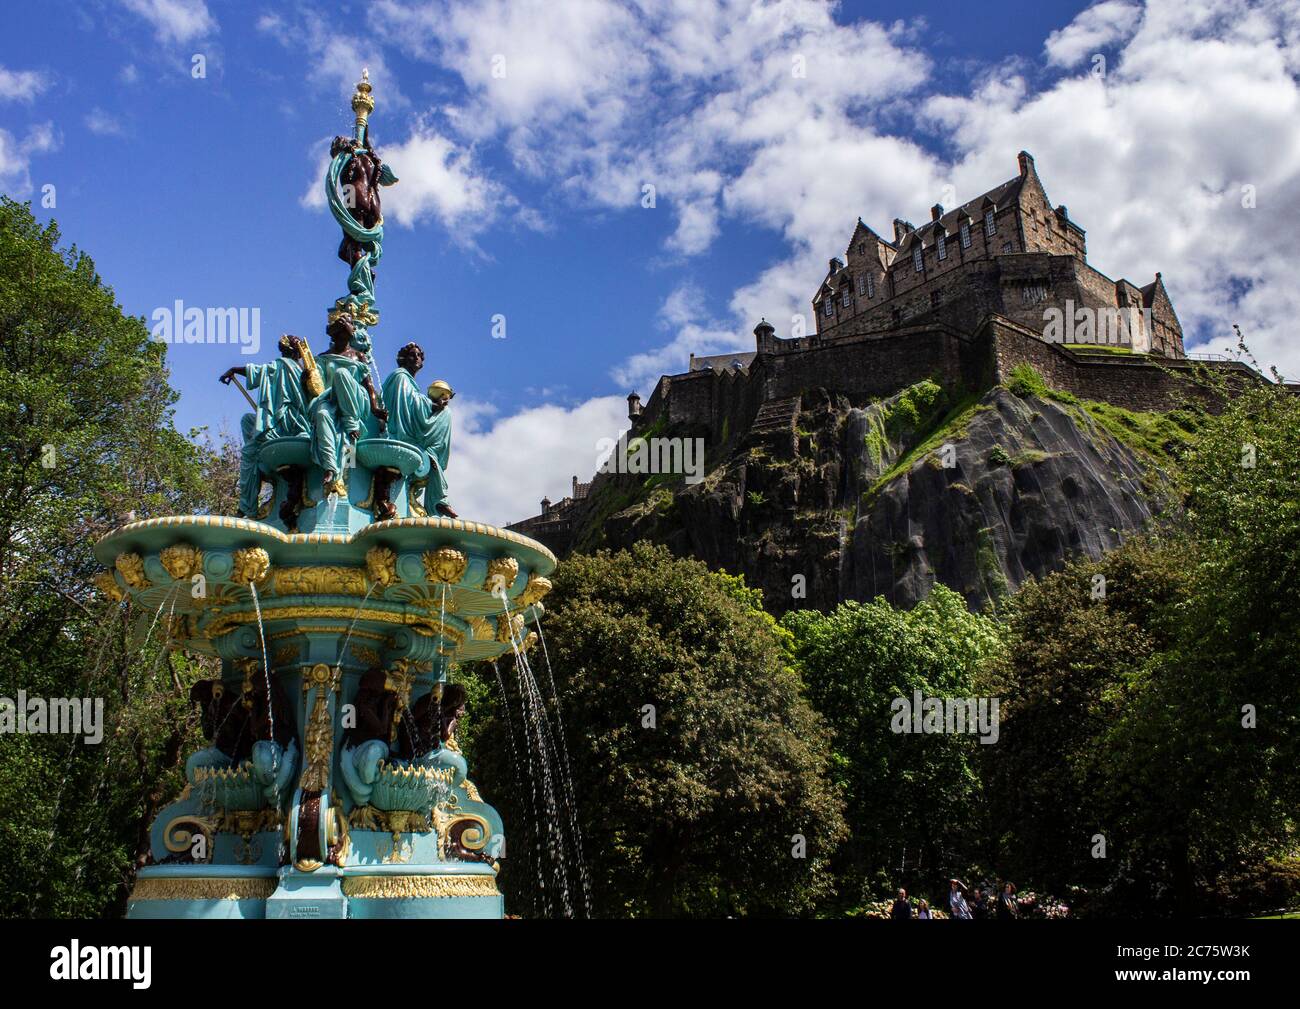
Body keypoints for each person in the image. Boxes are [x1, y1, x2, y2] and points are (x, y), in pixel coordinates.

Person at [220, 334, 310, 517]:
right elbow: (258, 371)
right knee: (248, 420)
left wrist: (234, 369)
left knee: (249, 453)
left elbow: (257, 371)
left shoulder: (282, 365)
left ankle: (246, 508)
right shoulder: (301, 370)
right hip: (294, 423)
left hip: (282, 424)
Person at [309, 316, 386, 496]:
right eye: (343, 323)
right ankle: (331, 468)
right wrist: (307, 378)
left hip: (356, 400)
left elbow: (369, 386)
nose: (347, 325)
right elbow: (316, 386)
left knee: (342, 374)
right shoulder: (323, 358)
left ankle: (351, 423)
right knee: (321, 414)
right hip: (331, 399)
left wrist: (375, 408)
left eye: (349, 323)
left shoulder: (358, 356)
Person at [380, 343, 457, 517]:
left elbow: (413, 401)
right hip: (400, 430)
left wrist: (435, 404)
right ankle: (438, 500)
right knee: (444, 413)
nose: (416, 358)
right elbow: (409, 402)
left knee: (446, 414)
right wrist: (432, 405)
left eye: (419, 356)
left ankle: (438, 498)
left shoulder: (410, 382)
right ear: (402, 359)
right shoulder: (400, 376)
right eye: (412, 355)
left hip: (412, 427)